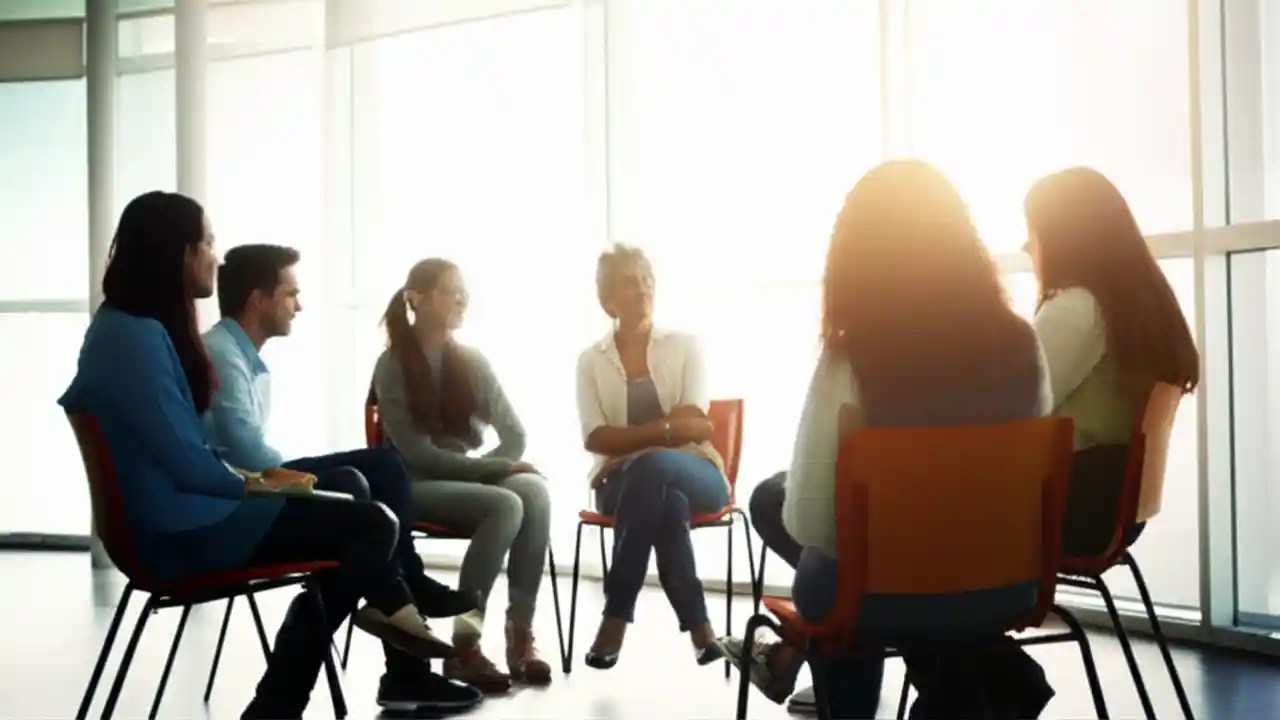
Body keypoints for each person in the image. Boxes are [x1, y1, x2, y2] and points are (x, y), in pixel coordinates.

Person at [58, 191, 479, 719]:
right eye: (207, 242)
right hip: (180, 532)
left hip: (186, 516)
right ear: (178, 251)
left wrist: (264, 484)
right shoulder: (134, 338)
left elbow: (186, 454)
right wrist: (261, 484)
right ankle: (301, 688)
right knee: (370, 526)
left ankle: (306, 686)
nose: (216, 254)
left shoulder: (130, 330)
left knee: (359, 518)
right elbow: (190, 463)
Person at [720, 160, 1055, 719]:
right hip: (1002, 585)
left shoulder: (852, 357)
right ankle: (975, 677)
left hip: (878, 592)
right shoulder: (1023, 343)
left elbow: (810, 523)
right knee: (871, 564)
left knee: (820, 548)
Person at [201, 243, 482, 713]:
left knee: (366, 477)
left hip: (248, 488)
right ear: (258, 300)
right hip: (237, 501)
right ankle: (405, 617)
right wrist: (308, 477)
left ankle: (396, 623)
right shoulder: (222, 356)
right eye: (291, 294)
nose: (300, 304)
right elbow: (248, 454)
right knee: (365, 481)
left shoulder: (239, 355)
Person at [372, 258, 554, 692]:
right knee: (506, 500)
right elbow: (419, 453)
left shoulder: (471, 361)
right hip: (411, 482)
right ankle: (465, 645)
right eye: (450, 290)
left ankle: (519, 636)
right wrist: (494, 470)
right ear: (416, 298)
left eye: (463, 290)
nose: (462, 298)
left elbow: (515, 434)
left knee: (534, 490)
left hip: (464, 477)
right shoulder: (391, 364)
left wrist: (495, 468)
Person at [1024, 167, 1199, 556]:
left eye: (1032, 230)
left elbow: (1015, 406)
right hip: (1110, 503)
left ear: (1061, 236)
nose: (1025, 245)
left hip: (1069, 507)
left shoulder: (1076, 309)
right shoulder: (1135, 308)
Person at [574, 243, 728, 670]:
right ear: (607, 300)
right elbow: (595, 437)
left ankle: (615, 616)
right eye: (629, 281)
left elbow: (694, 420)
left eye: (647, 279)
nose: (642, 289)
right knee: (664, 500)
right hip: (618, 485)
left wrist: (639, 440)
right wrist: (665, 430)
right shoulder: (590, 361)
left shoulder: (685, 345)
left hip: (697, 471)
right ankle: (701, 631)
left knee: (654, 467)